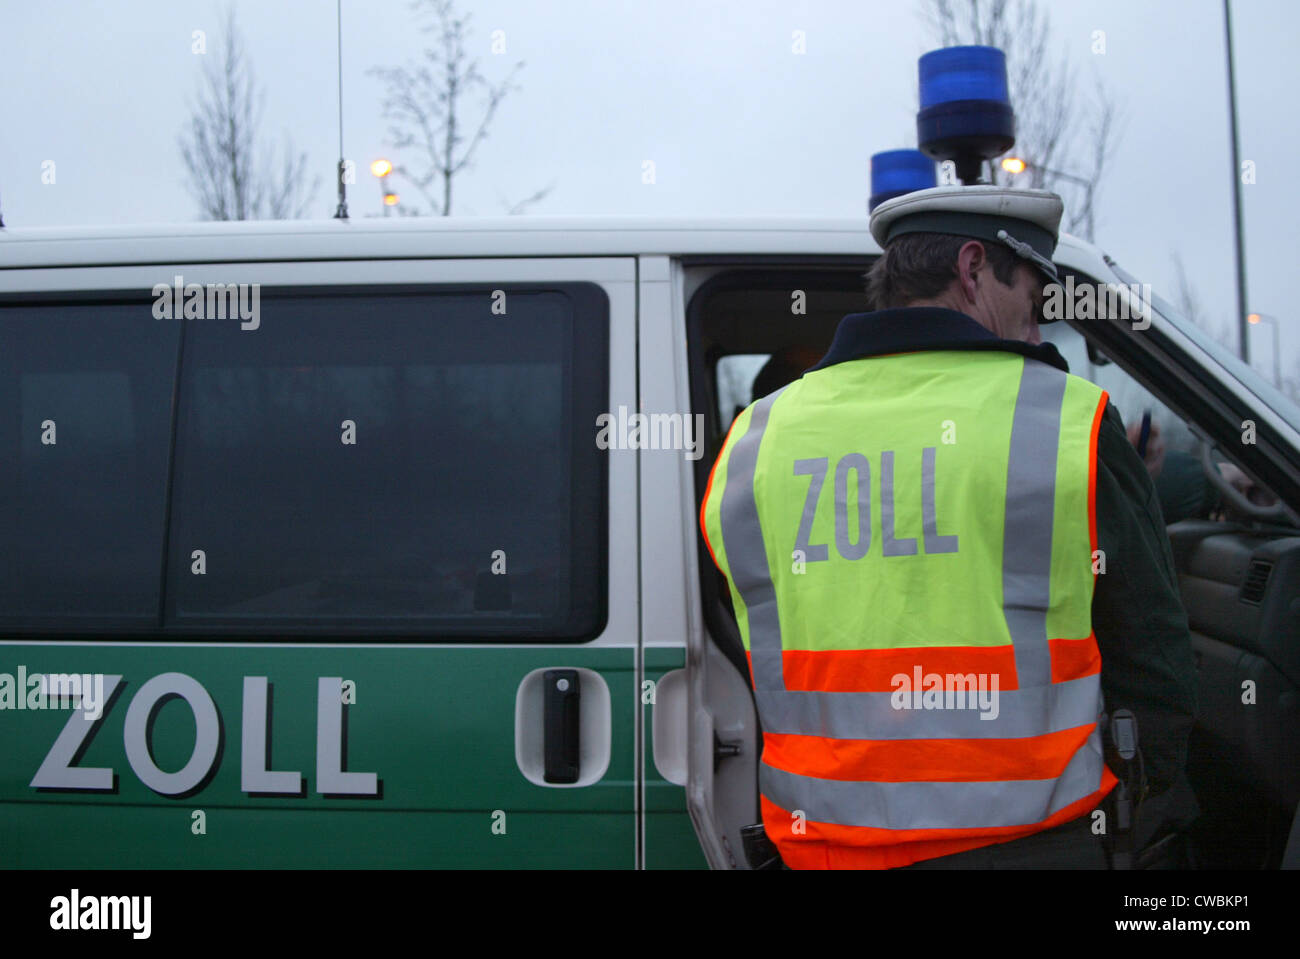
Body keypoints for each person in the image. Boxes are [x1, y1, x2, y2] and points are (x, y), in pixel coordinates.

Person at [700, 185, 1198, 869]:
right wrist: (1145, 802)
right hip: (1031, 846)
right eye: (1030, 298)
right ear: (972, 268)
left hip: (823, 850)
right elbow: (1155, 659)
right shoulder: (1064, 420)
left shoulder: (756, 439)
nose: (1034, 327)